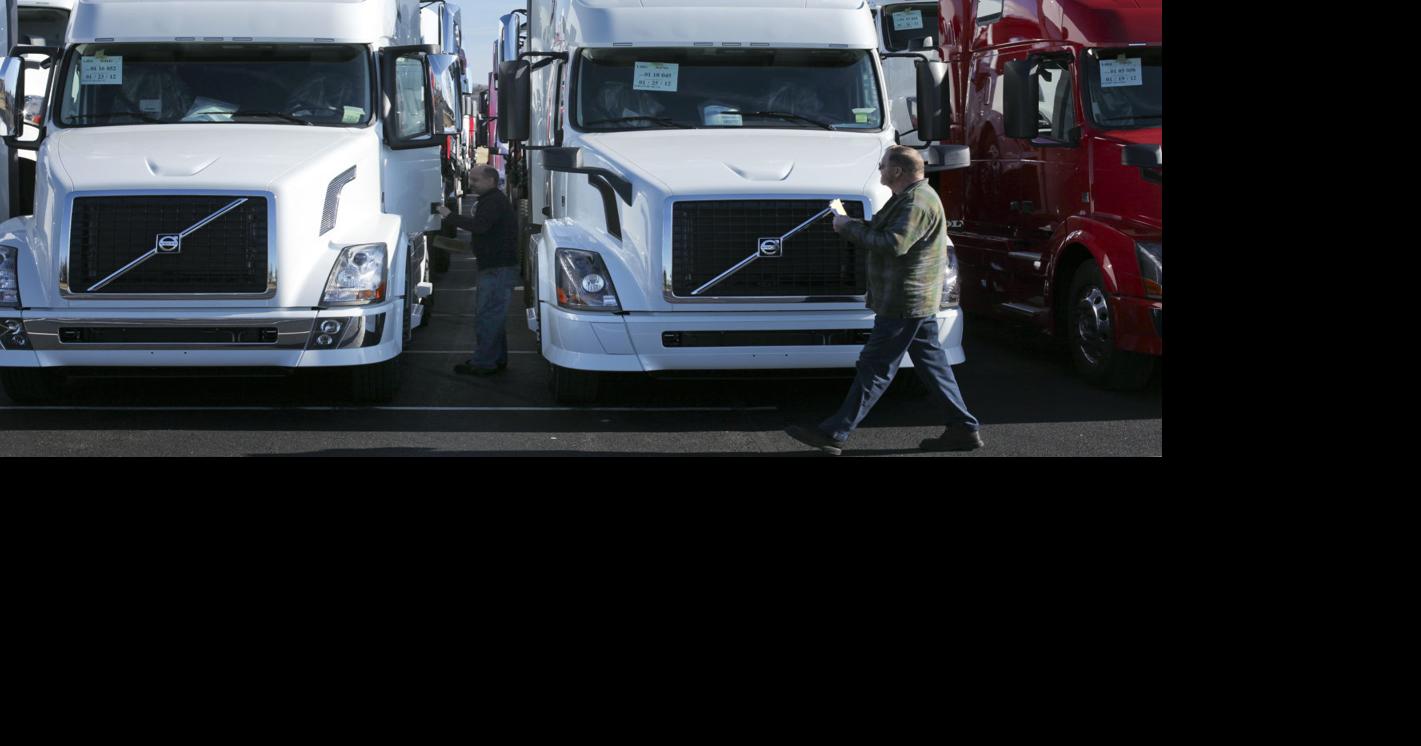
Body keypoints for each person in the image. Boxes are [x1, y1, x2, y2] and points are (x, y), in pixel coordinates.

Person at [785, 145, 982, 456]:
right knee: (933, 366)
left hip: (904, 301)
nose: (879, 170)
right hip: (915, 301)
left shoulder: (916, 203)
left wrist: (847, 227)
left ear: (897, 171)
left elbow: (893, 244)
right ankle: (963, 428)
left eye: (883, 165)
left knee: (875, 367)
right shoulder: (909, 198)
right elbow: (885, 231)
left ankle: (834, 433)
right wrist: (850, 222)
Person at [437, 165, 518, 376]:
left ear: (491, 181)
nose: (470, 183)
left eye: (475, 180)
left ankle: (484, 363)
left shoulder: (492, 202)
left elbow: (480, 226)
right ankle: (496, 358)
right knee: (494, 316)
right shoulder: (493, 200)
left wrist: (449, 215)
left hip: (496, 269)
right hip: (497, 267)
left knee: (488, 316)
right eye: (470, 179)